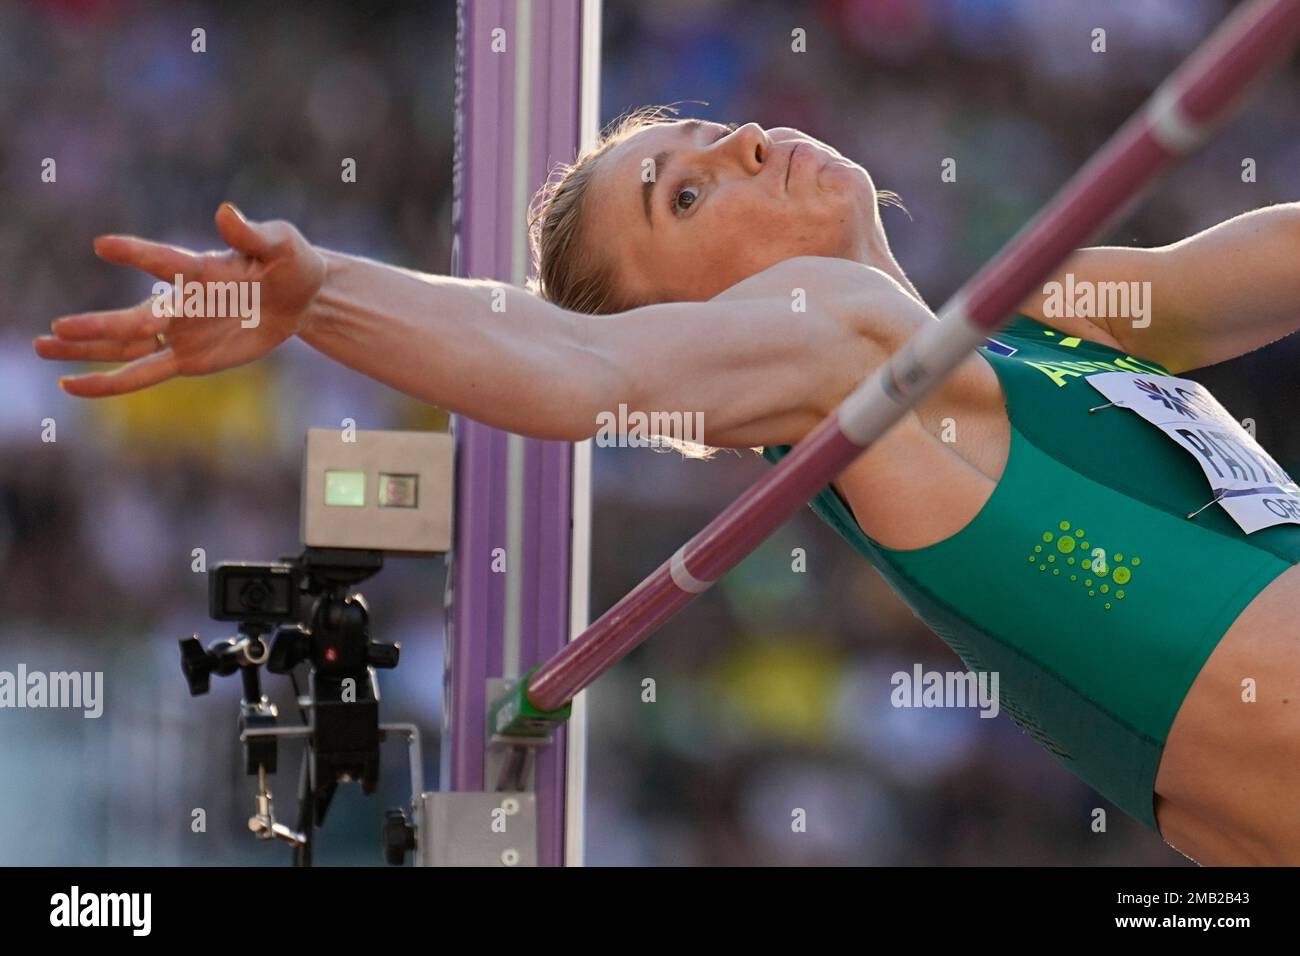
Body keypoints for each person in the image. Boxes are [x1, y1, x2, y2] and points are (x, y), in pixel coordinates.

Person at [34, 109, 1300, 864]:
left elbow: (1239, 268)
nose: (750, 141)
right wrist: (321, 295)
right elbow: (569, 358)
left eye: (713, 138)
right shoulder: (828, 341)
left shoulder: (1023, 315)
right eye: (688, 196)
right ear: (701, 333)